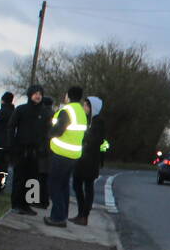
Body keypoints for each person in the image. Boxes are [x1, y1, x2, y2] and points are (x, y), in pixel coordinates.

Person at [44, 86, 87, 227]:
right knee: (63, 186)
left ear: (68, 95)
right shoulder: (81, 112)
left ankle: (57, 217)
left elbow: (58, 129)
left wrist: (48, 135)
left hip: (61, 153)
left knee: (54, 185)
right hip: (74, 154)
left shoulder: (67, 111)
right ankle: (63, 215)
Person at [8, 84, 46, 214]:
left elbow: (47, 131)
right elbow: (11, 127)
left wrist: (43, 147)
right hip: (21, 149)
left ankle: (27, 205)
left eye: (40, 93)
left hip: (36, 151)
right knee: (19, 178)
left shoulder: (44, 112)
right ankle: (16, 204)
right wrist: (12, 144)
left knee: (32, 180)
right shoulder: (21, 109)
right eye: (35, 93)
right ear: (30, 95)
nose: (38, 96)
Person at [70, 96, 106, 225]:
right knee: (77, 185)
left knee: (88, 187)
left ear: (92, 108)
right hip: (81, 159)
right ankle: (80, 213)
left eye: (86, 105)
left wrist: (85, 140)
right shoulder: (86, 120)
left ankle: (84, 215)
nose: (84, 107)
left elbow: (97, 140)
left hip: (90, 161)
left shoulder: (98, 122)